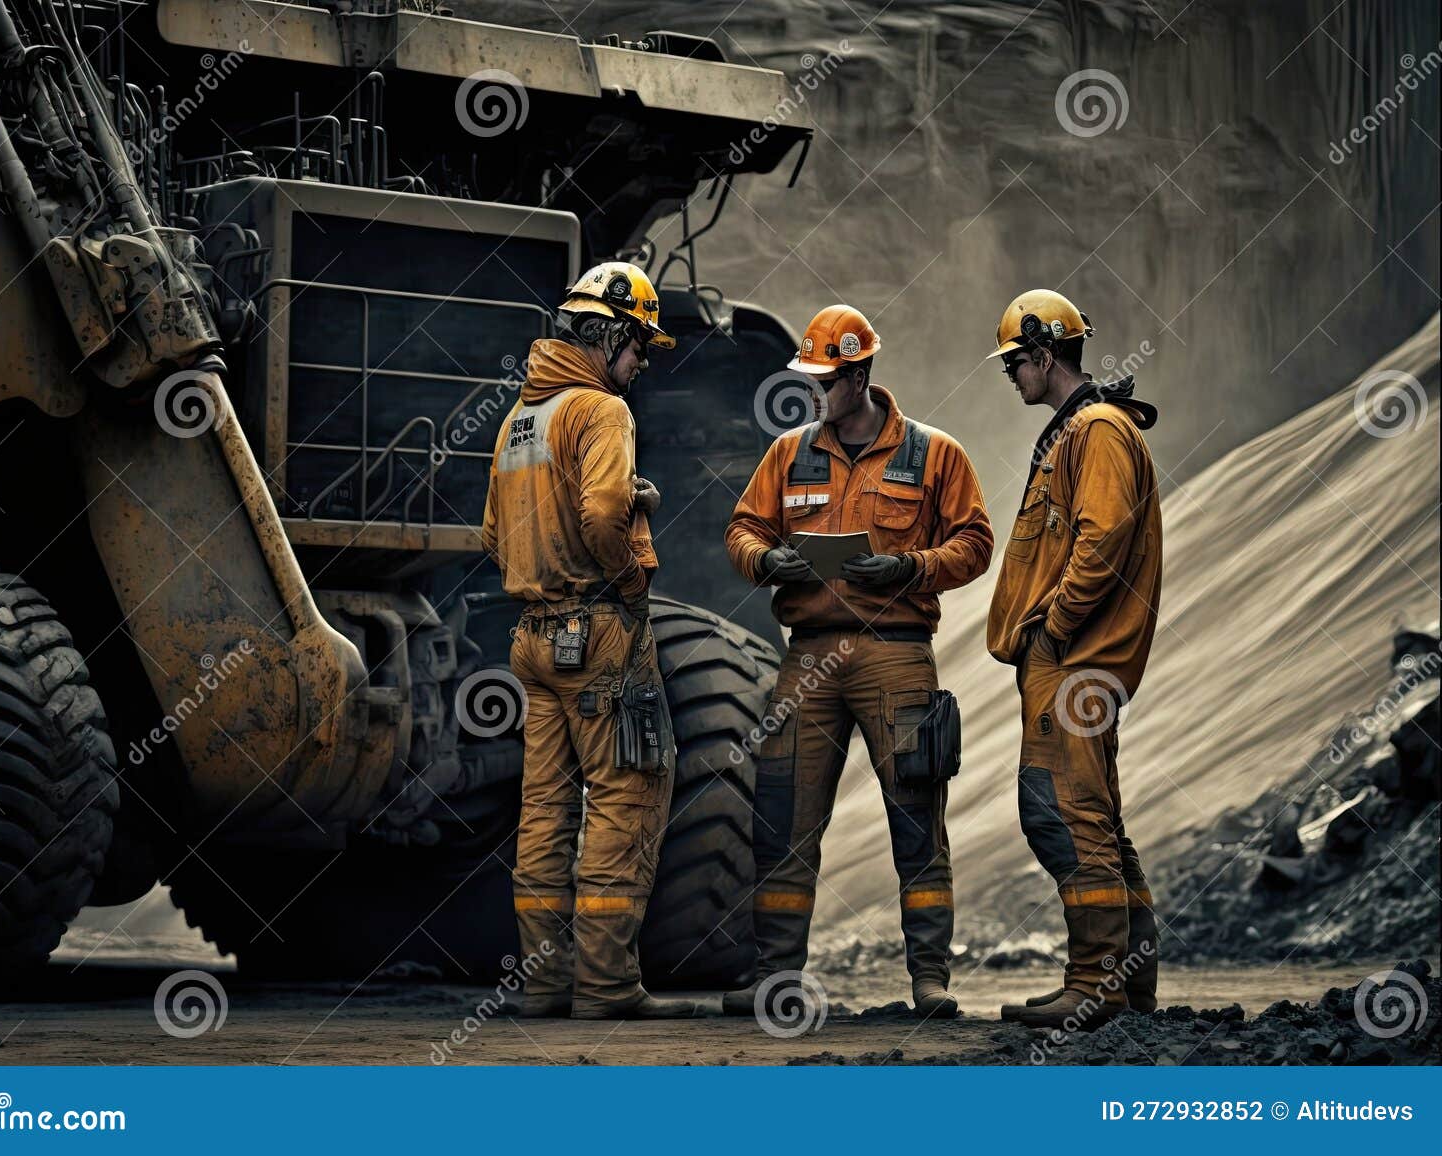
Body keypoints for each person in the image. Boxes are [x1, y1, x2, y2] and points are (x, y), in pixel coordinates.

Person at [722, 304, 993, 1018]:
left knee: (916, 816)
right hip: (807, 655)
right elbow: (744, 527)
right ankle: (774, 975)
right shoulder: (788, 453)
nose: (815, 394)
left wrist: (908, 567)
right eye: (809, 380)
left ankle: (929, 981)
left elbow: (975, 543)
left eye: (828, 380)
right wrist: (765, 559)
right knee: (782, 818)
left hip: (895, 656)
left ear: (862, 374)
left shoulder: (935, 455)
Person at [481, 261, 698, 1019]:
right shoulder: (601, 411)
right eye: (638, 349)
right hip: (599, 630)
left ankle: (542, 984)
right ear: (608, 336)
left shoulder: (519, 419)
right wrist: (631, 582)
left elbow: (490, 532)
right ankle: (606, 987)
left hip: (533, 641)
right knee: (625, 798)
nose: (638, 366)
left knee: (544, 810)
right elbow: (605, 515)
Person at [983, 289, 1163, 1031]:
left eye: (1015, 362)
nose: (1010, 376)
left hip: (1075, 661)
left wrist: (1053, 631)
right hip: (1073, 661)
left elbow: (1100, 540)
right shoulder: (1081, 430)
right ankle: (1131, 981)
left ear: (1046, 354)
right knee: (1094, 818)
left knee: (1062, 812)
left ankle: (1093, 983)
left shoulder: (1095, 431)